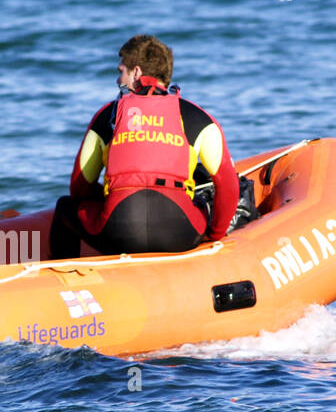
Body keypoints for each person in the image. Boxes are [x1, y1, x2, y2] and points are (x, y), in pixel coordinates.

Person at [49, 35, 241, 259]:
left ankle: (68, 282)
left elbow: (79, 187)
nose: (117, 79)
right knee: (202, 200)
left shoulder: (107, 117)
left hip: (120, 232)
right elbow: (228, 185)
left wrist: (108, 198)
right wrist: (215, 234)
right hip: (179, 234)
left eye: (121, 71)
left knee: (65, 206)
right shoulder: (198, 117)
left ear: (137, 72)